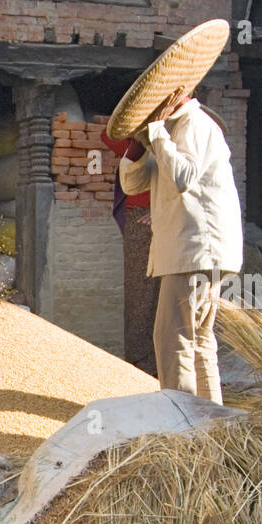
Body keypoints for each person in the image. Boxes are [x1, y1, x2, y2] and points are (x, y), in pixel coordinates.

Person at [118, 88, 242, 403]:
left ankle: (180, 421)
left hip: (197, 250)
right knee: (198, 340)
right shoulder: (170, 130)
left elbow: (183, 177)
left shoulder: (194, 124)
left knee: (173, 339)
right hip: (192, 252)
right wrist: (138, 145)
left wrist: (158, 132)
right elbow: (133, 185)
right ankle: (209, 421)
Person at [100, 126, 160, 377]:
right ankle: (140, 366)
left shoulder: (173, 140)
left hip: (166, 220)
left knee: (160, 297)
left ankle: (155, 365)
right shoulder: (140, 145)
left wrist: (161, 210)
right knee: (141, 294)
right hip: (141, 222)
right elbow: (108, 135)